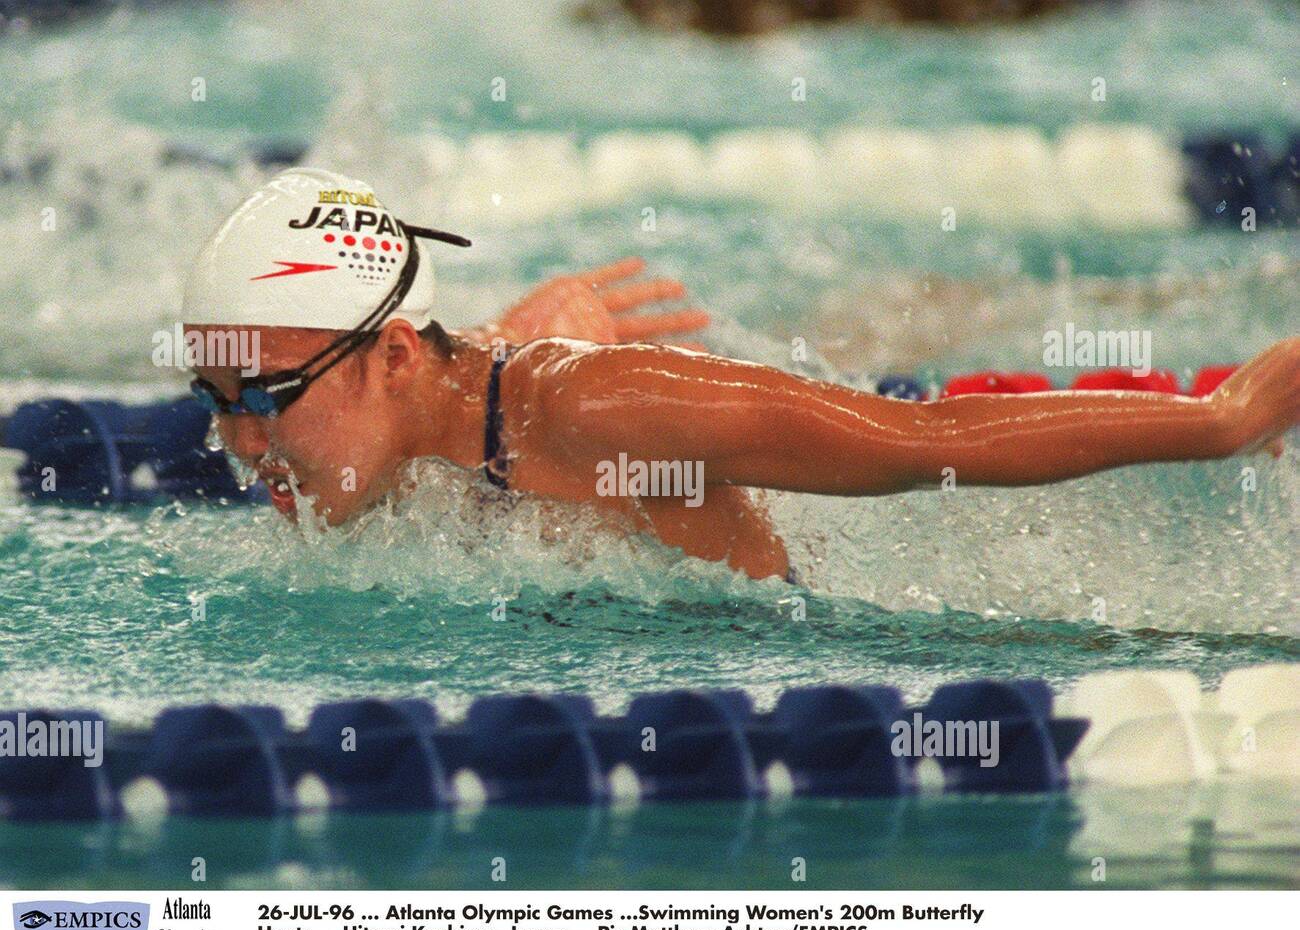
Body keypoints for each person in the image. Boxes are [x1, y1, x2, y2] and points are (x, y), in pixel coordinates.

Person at [186, 169, 1299, 582]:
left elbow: (926, 448)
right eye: (218, 400)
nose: (237, 442)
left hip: (960, 460)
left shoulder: (597, 406)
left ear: (389, 353)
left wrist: (1220, 418)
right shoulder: (384, 451)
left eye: (264, 397)